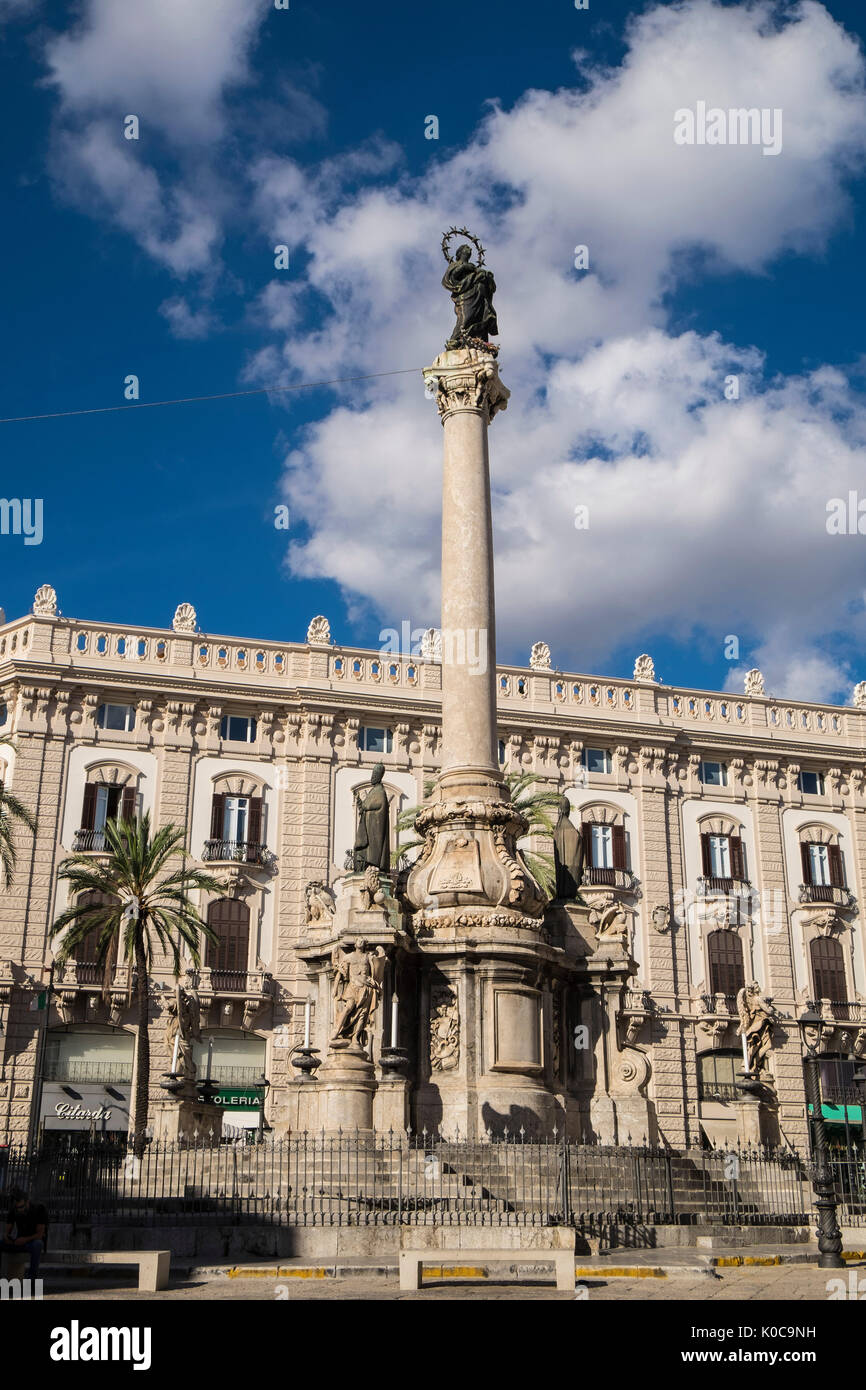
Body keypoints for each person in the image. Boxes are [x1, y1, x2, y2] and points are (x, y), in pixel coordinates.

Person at [1, 1188, 47, 1280]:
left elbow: (40, 1234)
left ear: (27, 1202)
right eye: (17, 1208)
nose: (19, 1210)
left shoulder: (39, 1209)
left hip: (31, 1242)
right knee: (1, 1243)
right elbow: (7, 1232)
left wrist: (25, 1239)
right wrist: (7, 1237)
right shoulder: (13, 1210)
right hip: (18, 1242)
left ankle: (32, 1279)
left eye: (21, 1207)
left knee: (38, 1244)